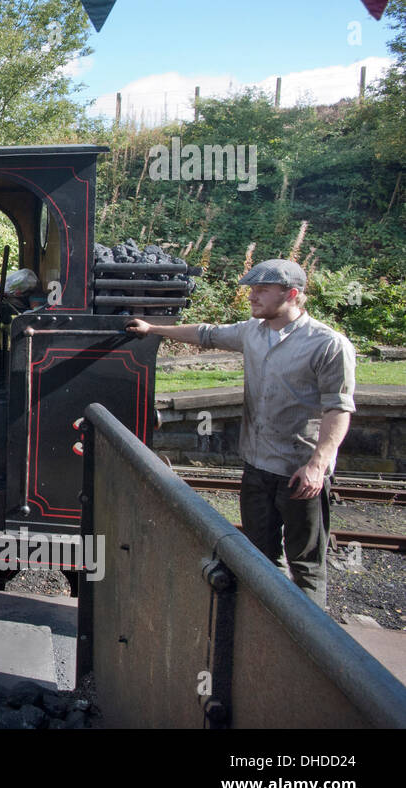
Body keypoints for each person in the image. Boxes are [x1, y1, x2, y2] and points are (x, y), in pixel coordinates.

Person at [126, 259, 355, 607]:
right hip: (257, 467)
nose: (253, 296)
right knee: (260, 558)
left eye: (262, 289)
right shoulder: (253, 332)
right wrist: (153, 329)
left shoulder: (328, 344)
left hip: (300, 471)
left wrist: (317, 465)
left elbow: (338, 409)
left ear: (292, 294)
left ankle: (313, 641)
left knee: (306, 565)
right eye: (252, 288)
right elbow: (206, 333)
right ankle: (269, 629)